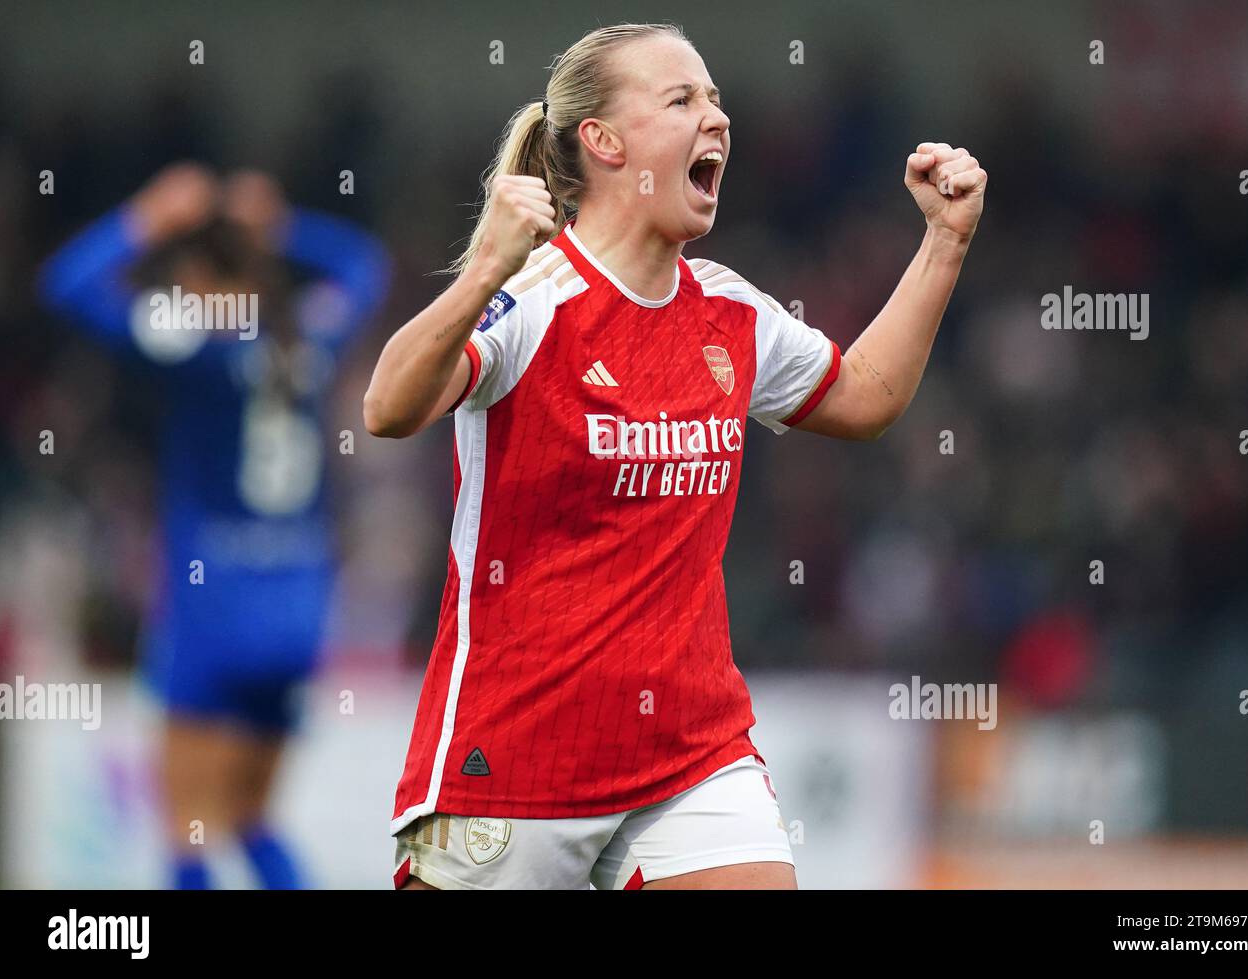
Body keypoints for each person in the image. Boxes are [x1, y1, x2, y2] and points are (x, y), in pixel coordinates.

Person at [365, 22, 985, 890]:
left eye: (717, 99)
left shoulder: (730, 311)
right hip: (515, 756)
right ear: (604, 141)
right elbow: (387, 407)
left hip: (689, 752)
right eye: (683, 99)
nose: (717, 118)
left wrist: (945, 243)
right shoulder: (535, 299)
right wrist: (483, 275)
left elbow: (869, 395)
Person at [39, 164, 390, 889]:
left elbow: (65, 285)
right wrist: (282, 226)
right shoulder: (311, 333)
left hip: (212, 606)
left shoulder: (191, 341)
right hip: (297, 606)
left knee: (187, 828)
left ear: (200, 276)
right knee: (251, 818)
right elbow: (365, 263)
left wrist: (148, 217)